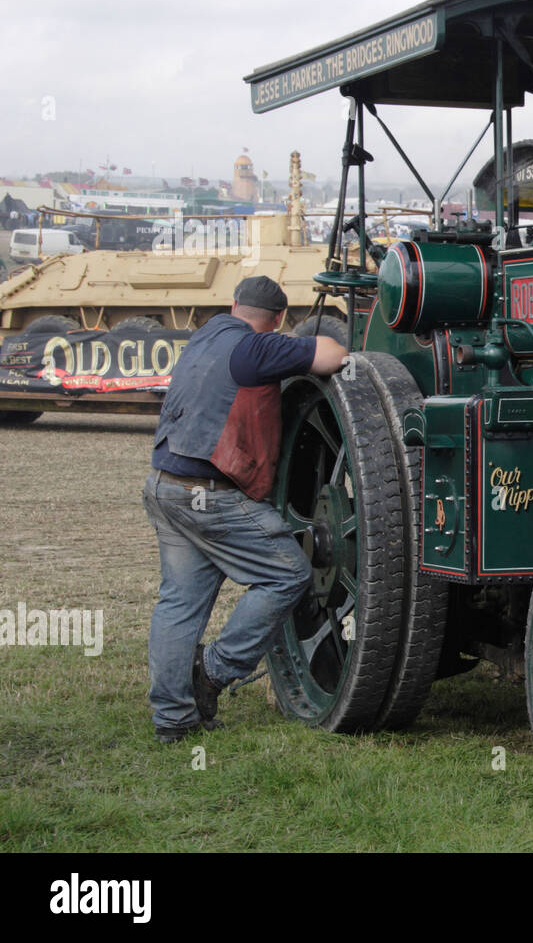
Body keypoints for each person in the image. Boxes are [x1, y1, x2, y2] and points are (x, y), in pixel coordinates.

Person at [142, 275, 348, 742]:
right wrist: (299, 341)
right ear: (275, 320)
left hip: (163, 485)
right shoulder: (259, 349)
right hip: (208, 495)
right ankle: (214, 671)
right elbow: (333, 354)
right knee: (287, 575)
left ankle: (173, 720)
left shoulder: (206, 334)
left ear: (234, 305)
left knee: (178, 603)